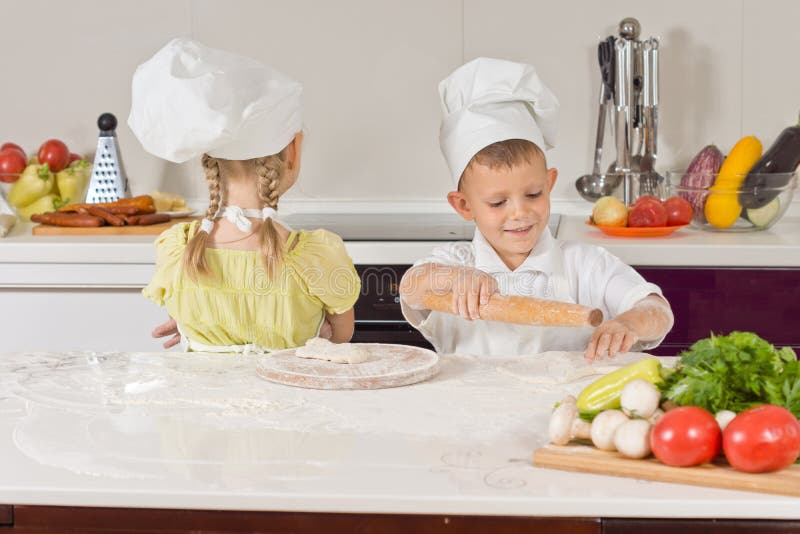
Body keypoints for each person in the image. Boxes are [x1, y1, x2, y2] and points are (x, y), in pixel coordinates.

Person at [399, 57, 673, 361]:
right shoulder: (457, 262)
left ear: (550, 182)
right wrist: (454, 278)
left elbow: (657, 310)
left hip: (561, 407)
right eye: (498, 202)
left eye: (533, 193)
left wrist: (628, 323)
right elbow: (411, 286)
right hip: (469, 406)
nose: (519, 212)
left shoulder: (583, 265)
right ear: (464, 205)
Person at [130, 38, 360, 353]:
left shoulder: (178, 252)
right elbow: (342, 336)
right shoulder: (316, 257)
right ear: (293, 151)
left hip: (201, 401)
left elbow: (189, 320)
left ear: (206, 161)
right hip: (294, 401)